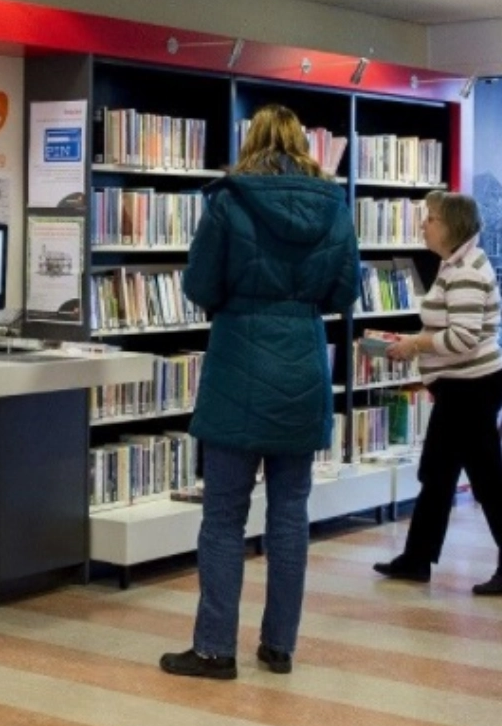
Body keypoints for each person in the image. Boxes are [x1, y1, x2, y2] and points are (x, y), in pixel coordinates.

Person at [160, 104, 360, 680]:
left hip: (237, 366)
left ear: (253, 141)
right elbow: (345, 291)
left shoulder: (229, 201)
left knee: (223, 515)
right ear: (303, 144)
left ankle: (215, 648)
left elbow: (200, 284)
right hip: (303, 365)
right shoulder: (335, 207)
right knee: (291, 514)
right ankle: (279, 646)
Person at [372, 191, 502, 594]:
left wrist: (414, 345)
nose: (423, 225)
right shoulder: (456, 264)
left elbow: (463, 338)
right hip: (463, 388)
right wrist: (414, 341)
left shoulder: (465, 271)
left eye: (429, 218)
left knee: (487, 480)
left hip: (470, 390)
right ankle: (416, 558)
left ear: (450, 226)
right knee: (439, 472)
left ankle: (419, 557)